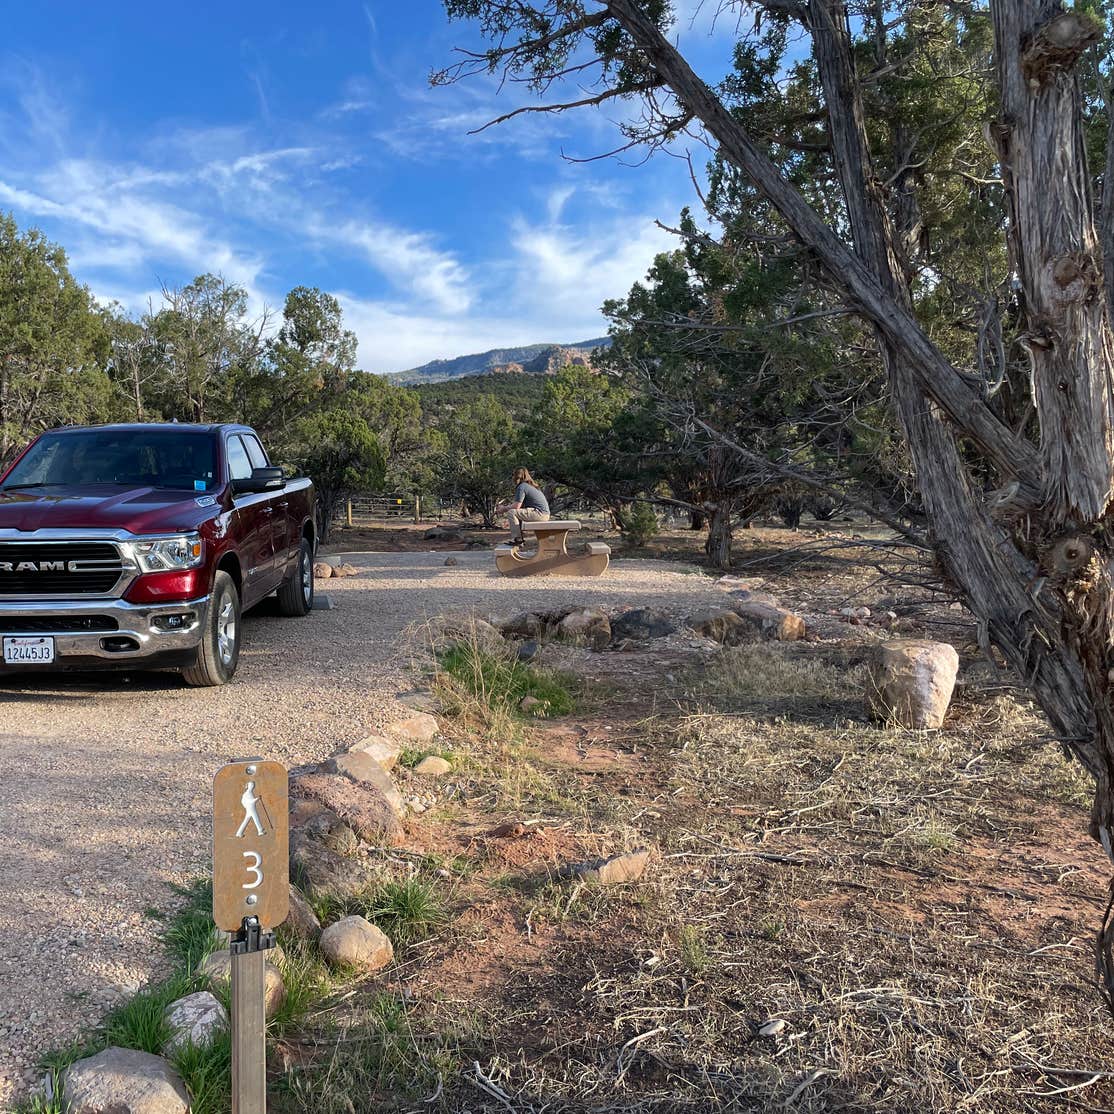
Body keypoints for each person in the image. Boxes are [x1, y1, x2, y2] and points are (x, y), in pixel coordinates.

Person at [497, 467, 550, 543]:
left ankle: (517, 539)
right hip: (544, 514)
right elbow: (519, 507)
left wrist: (503, 508)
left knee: (512, 512)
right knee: (516, 513)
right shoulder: (531, 486)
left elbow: (516, 506)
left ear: (517, 476)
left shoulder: (522, 487)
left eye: (513, 475)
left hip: (540, 514)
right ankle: (519, 539)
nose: (512, 477)